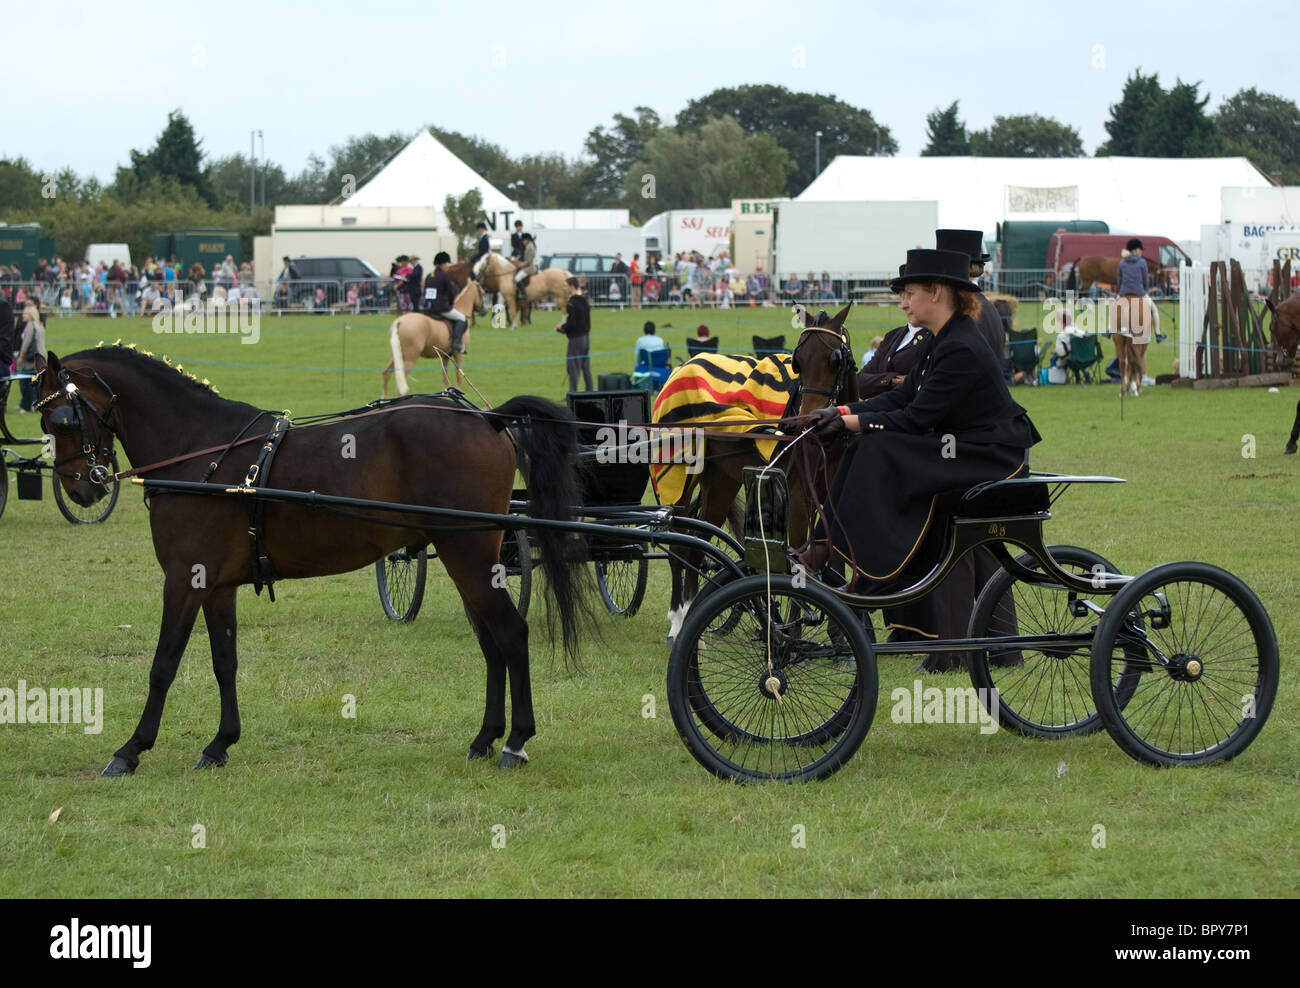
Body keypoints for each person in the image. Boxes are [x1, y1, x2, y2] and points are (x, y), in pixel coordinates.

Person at [799, 249, 1041, 661]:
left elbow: (915, 416)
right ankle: (832, 544)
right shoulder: (939, 340)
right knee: (871, 442)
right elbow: (901, 397)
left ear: (938, 291)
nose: (903, 302)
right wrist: (837, 412)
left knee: (878, 445)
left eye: (910, 293)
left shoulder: (961, 345)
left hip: (990, 456)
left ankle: (839, 548)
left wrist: (847, 422)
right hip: (961, 447)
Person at [856, 268, 933, 398]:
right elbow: (859, 383)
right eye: (902, 297)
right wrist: (892, 380)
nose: (904, 305)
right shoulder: (892, 336)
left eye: (910, 297)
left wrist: (879, 381)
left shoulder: (935, 336)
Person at [1113, 238, 1152, 397]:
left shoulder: (1122, 263)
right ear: (1136, 250)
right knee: (1153, 312)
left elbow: (1119, 280)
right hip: (1138, 295)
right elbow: (1145, 281)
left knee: (1114, 310)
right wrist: (1144, 292)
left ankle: (1123, 383)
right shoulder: (1142, 262)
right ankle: (1158, 332)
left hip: (1122, 295)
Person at [423, 251, 468, 353]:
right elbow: (450, 293)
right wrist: (451, 303)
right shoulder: (445, 276)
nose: (448, 265)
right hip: (441, 308)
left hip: (428, 308)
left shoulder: (429, 275)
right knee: (462, 318)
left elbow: (425, 292)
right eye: (447, 263)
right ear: (441, 264)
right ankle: (456, 342)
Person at [556, 276, 592, 392]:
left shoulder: (571, 303)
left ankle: (573, 394)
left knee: (574, 368)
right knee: (586, 368)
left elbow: (572, 322)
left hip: (576, 339)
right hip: (586, 338)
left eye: (566, 285)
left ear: (571, 286)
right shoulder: (584, 300)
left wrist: (562, 327)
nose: (564, 288)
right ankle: (590, 392)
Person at [15, 303, 46, 412]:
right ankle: (35, 404)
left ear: (30, 314)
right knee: (36, 384)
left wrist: (21, 355)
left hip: (30, 359)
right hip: (40, 357)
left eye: (25, 313)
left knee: (25, 383)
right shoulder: (40, 325)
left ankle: (25, 406)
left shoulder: (29, 326)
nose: (22, 315)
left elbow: (26, 343)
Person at [512, 233, 537, 301]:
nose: (523, 242)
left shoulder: (530, 248)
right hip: (528, 266)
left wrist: (520, 265)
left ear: (527, 240)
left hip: (530, 268)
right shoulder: (529, 246)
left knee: (516, 278)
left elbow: (528, 261)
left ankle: (523, 294)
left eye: (523, 240)